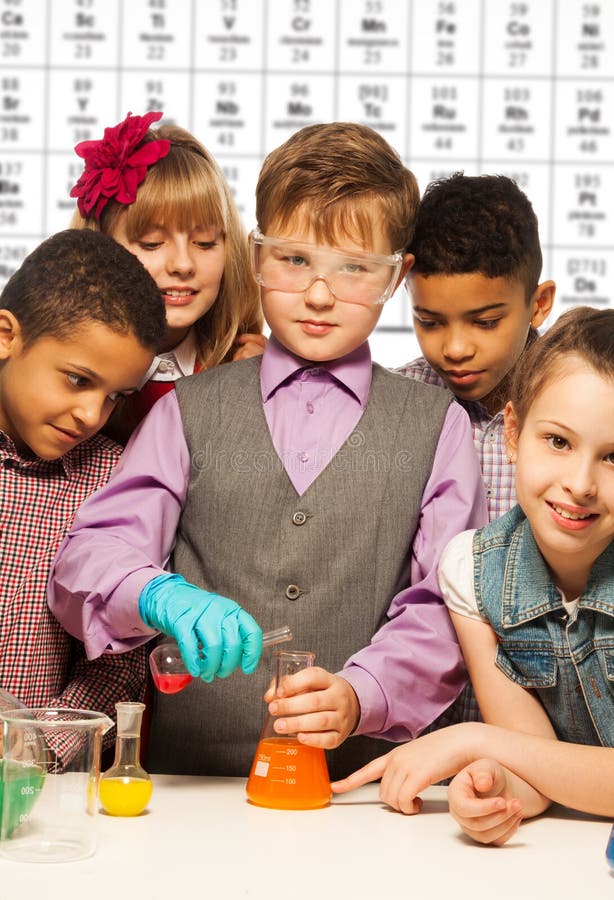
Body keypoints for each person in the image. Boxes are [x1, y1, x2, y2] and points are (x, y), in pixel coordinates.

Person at [48, 122, 487, 779]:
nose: (318, 294)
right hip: (183, 789)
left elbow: (446, 607)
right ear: (254, 256)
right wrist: (154, 593)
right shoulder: (185, 412)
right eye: (295, 259)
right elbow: (89, 556)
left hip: (357, 797)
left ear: (398, 276)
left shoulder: (438, 427)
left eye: (355, 269)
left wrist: (364, 692)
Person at [332, 306, 614, 843]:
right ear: (512, 432)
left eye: (613, 456)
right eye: (558, 441)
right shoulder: (473, 570)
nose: (580, 483)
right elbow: (534, 768)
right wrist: (490, 788)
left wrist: (472, 739)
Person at [0, 228, 166, 764]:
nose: (93, 416)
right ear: (6, 336)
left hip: (39, 789)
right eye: (77, 380)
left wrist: (40, 751)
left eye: (115, 396)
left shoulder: (111, 481)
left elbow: (117, 663)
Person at [70, 110, 265, 444]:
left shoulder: (244, 368)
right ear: (98, 249)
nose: (183, 264)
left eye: (204, 243)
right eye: (152, 243)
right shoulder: (62, 369)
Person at [398, 172, 555, 521]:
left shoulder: (580, 400)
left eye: (485, 323)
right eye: (430, 322)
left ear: (539, 304)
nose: (455, 349)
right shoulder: (395, 404)